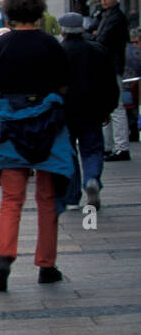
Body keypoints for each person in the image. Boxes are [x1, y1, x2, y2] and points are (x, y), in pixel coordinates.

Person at [0, 0, 74, 291]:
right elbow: (64, 84)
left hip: (11, 125)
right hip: (47, 125)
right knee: (47, 198)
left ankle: (5, 255)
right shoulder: (51, 44)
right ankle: (46, 264)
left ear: (9, 11)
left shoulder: (2, 44)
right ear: (38, 10)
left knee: (11, 198)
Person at [59, 13, 117, 210]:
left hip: (65, 111)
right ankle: (91, 178)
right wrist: (108, 108)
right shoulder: (98, 50)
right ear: (82, 28)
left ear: (63, 31)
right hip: (92, 110)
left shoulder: (58, 52)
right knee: (92, 149)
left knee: (68, 152)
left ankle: (72, 197)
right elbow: (110, 83)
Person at [90, 0, 130, 162]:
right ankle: (108, 145)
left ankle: (121, 147)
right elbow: (95, 34)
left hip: (112, 66)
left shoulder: (116, 17)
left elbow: (101, 39)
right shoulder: (104, 15)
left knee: (116, 107)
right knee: (106, 107)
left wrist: (94, 36)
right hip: (105, 66)